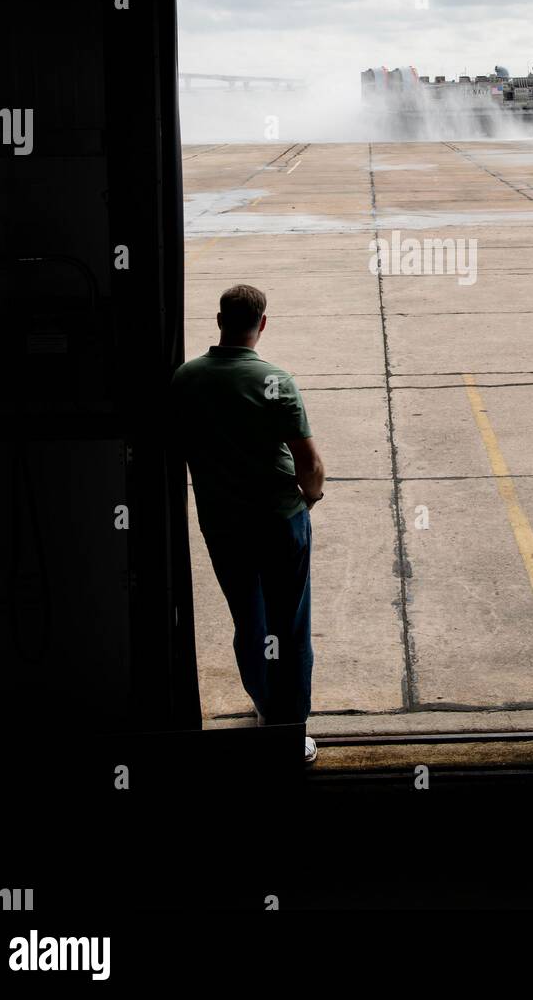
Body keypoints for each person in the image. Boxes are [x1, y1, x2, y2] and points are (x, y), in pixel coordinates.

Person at [170, 282, 325, 764]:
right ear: (262, 325)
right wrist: (311, 497)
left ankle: (262, 709)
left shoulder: (186, 378)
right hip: (280, 521)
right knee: (290, 624)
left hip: (223, 524)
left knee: (250, 620)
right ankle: (290, 729)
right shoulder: (276, 380)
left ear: (219, 322)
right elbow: (309, 464)